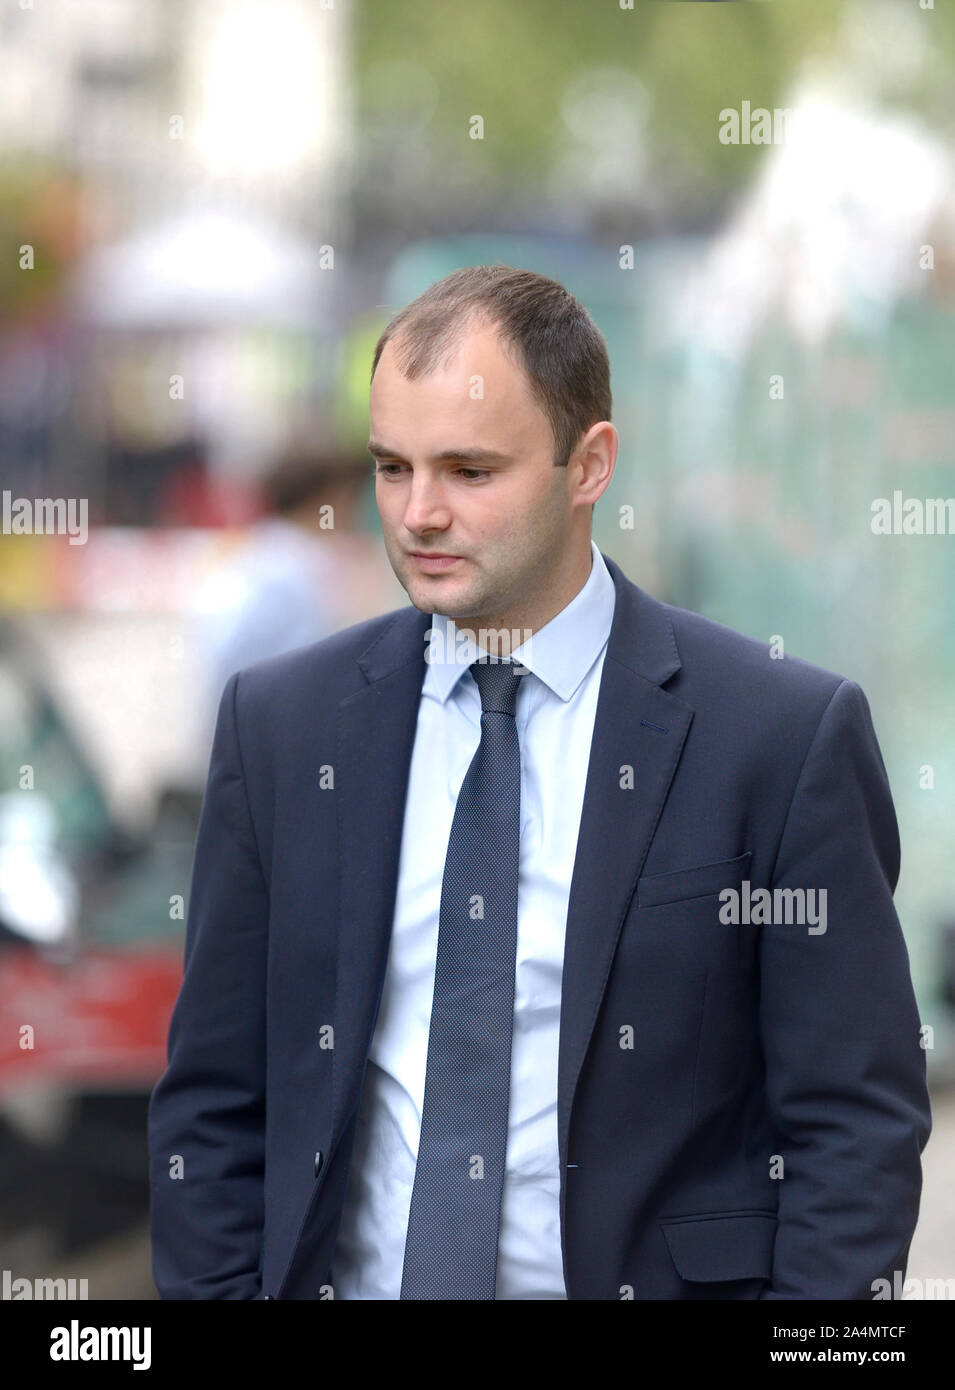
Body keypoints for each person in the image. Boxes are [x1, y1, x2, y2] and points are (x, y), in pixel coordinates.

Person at [147, 265, 931, 1300]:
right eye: (392, 467)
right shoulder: (282, 726)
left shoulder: (779, 736)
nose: (419, 513)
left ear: (588, 464)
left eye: (469, 470)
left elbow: (853, 1125)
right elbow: (213, 1098)